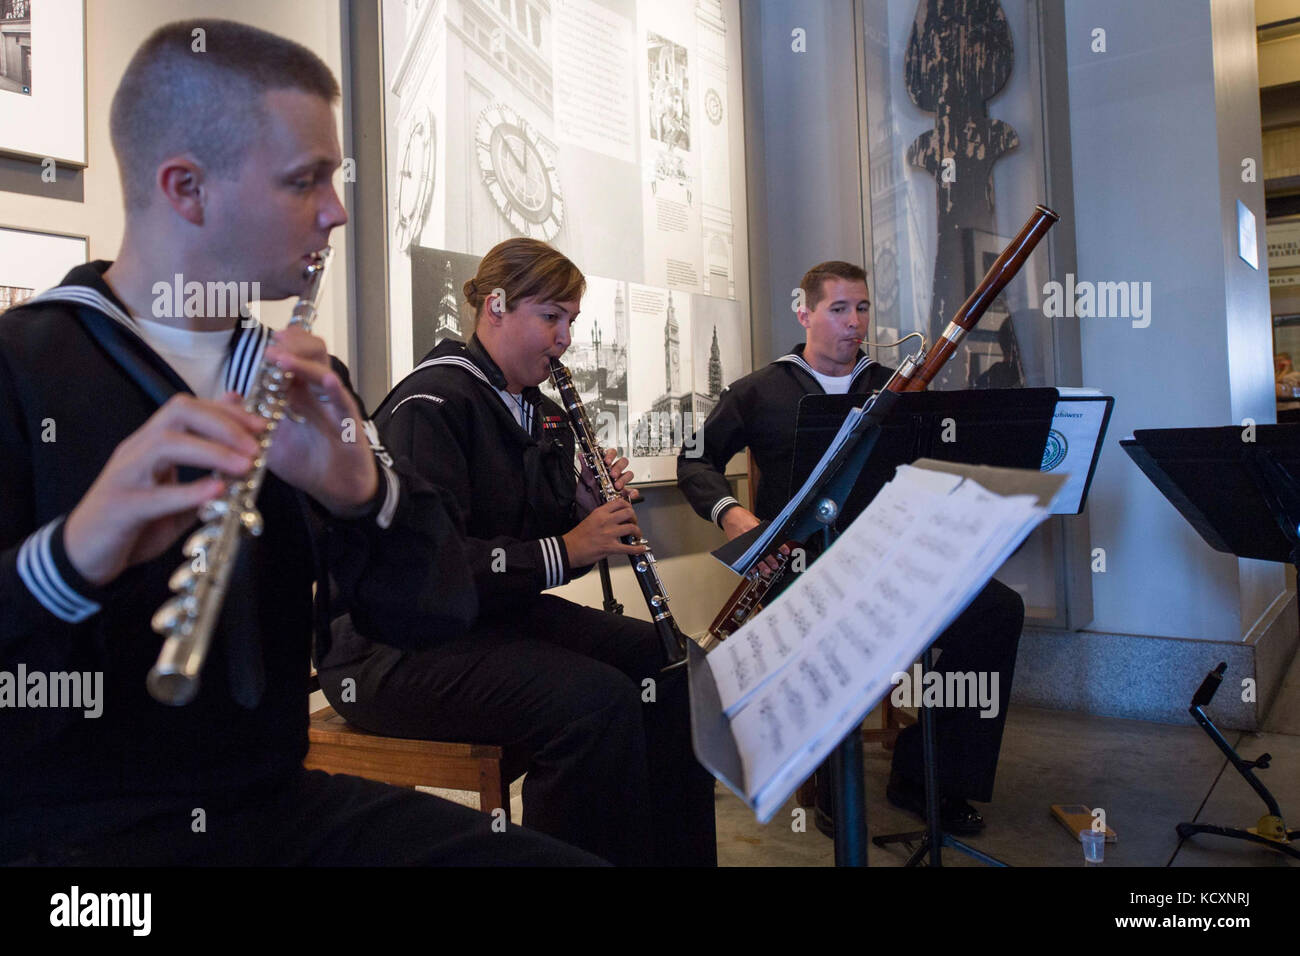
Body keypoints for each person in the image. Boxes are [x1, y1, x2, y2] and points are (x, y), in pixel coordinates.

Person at [0, 19, 598, 866]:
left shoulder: (306, 377)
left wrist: (367, 497)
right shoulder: (22, 366)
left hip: (269, 803)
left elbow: (430, 614)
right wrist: (67, 560)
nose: (337, 211)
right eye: (304, 181)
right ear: (186, 188)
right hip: (66, 836)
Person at [318, 238, 718, 867]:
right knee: (592, 703)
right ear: (495, 307)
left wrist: (582, 508)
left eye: (572, 322)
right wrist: (566, 547)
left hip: (484, 626)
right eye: (551, 317)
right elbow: (432, 570)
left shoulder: (536, 411)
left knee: (670, 664)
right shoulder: (434, 404)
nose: (564, 339)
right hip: (389, 651)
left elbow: (519, 533)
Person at [677, 260, 1024, 835]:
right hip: (804, 564)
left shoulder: (896, 386)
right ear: (804, 313)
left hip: (893, 557)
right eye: (838, 309)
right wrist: (732, 513)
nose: (854, 322)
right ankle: (836, 783)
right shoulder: (758, 390)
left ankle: (927, 777)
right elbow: (695, 457)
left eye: (861, 308)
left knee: (996, 611)